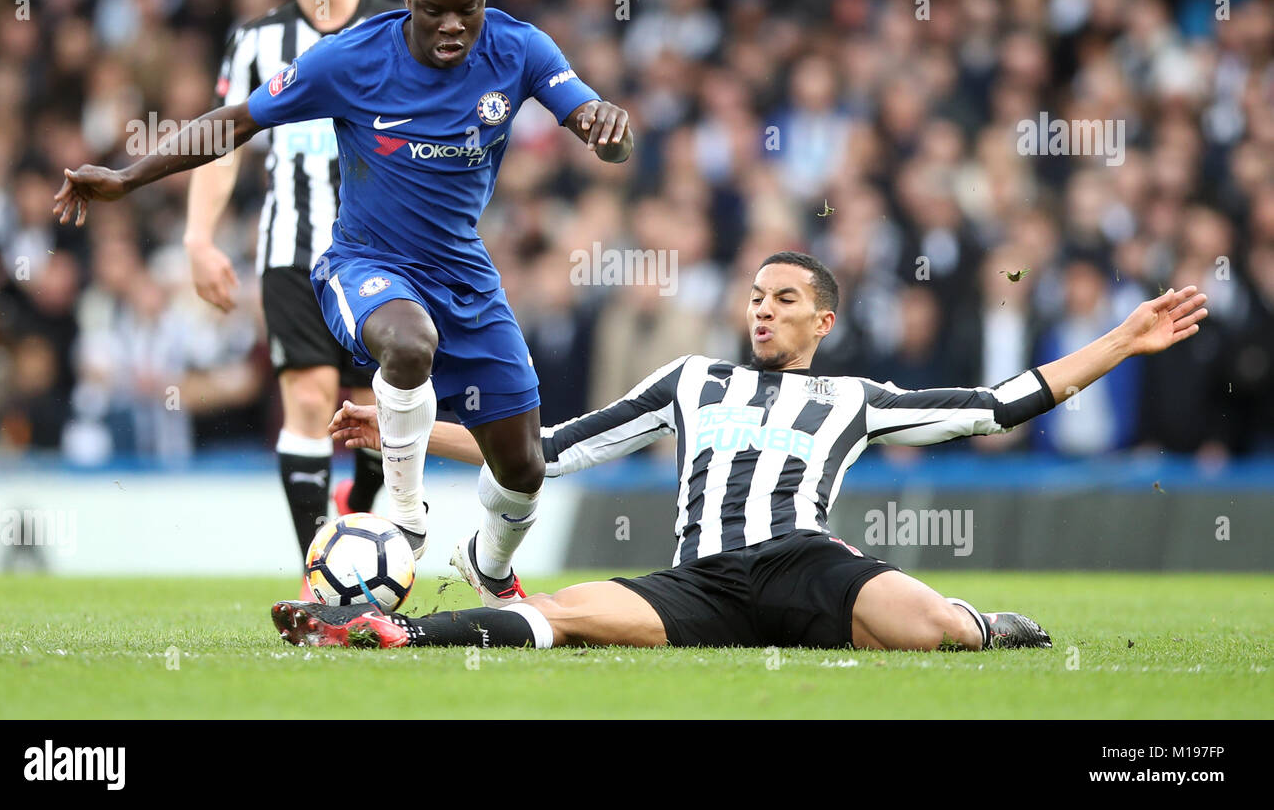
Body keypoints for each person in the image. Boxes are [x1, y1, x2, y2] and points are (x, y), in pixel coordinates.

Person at [54, 0, 633, 609]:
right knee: (410, 343)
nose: (453, 26)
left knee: (524, 466)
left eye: (467, 9)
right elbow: (235, 121)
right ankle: (408, 517)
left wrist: (609, 128)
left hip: (467, 277)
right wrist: (127, 177)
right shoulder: (349, 59)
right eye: (434, 10)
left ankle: (489, 564)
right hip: (365, 264)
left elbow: (602, 131)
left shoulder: (522, 48)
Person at [269, 250, 1209, 652]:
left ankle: (985, 620)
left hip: (807, 564)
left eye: (785, 298)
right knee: (560, 615)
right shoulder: (688, 381)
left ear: (824, 318)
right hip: (701, 581)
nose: (763, 307)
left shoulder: (856, 397)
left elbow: (999, 405)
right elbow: (546, 451)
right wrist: (409, 433)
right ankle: (388, 632)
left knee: (947, 638)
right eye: (756, 294)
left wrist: (1123, 338)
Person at [185, 0, 398, 578]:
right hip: (291, 251)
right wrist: (198, 236)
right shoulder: (256, 40)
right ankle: (320, 567)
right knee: (309, 397)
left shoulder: (396, 32)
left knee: (373, 408)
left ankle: (363, 546)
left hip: (381, 252)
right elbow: (220, 146)